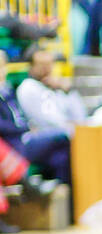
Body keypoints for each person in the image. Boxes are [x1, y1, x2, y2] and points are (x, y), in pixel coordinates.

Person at [0, 52, 71, 184]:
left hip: (25, 136)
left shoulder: (7, 91)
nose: (2, 72)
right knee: (64, 134)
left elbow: (19, 116)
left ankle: (68, 195)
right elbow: (5, 128)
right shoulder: (26, 87)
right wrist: (23, 129)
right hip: (14, 144)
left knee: (62, 156)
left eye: (3, 67)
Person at [16, 51, 89, 136]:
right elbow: (46, 122)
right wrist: (71, 126)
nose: (46, 68)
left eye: (49, 64)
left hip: (67, 134)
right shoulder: (28, 87)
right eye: (41, 64)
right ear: (31, 67)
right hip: (47, 136)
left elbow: (81, 117)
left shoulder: (56, 86)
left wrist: (69, 90)